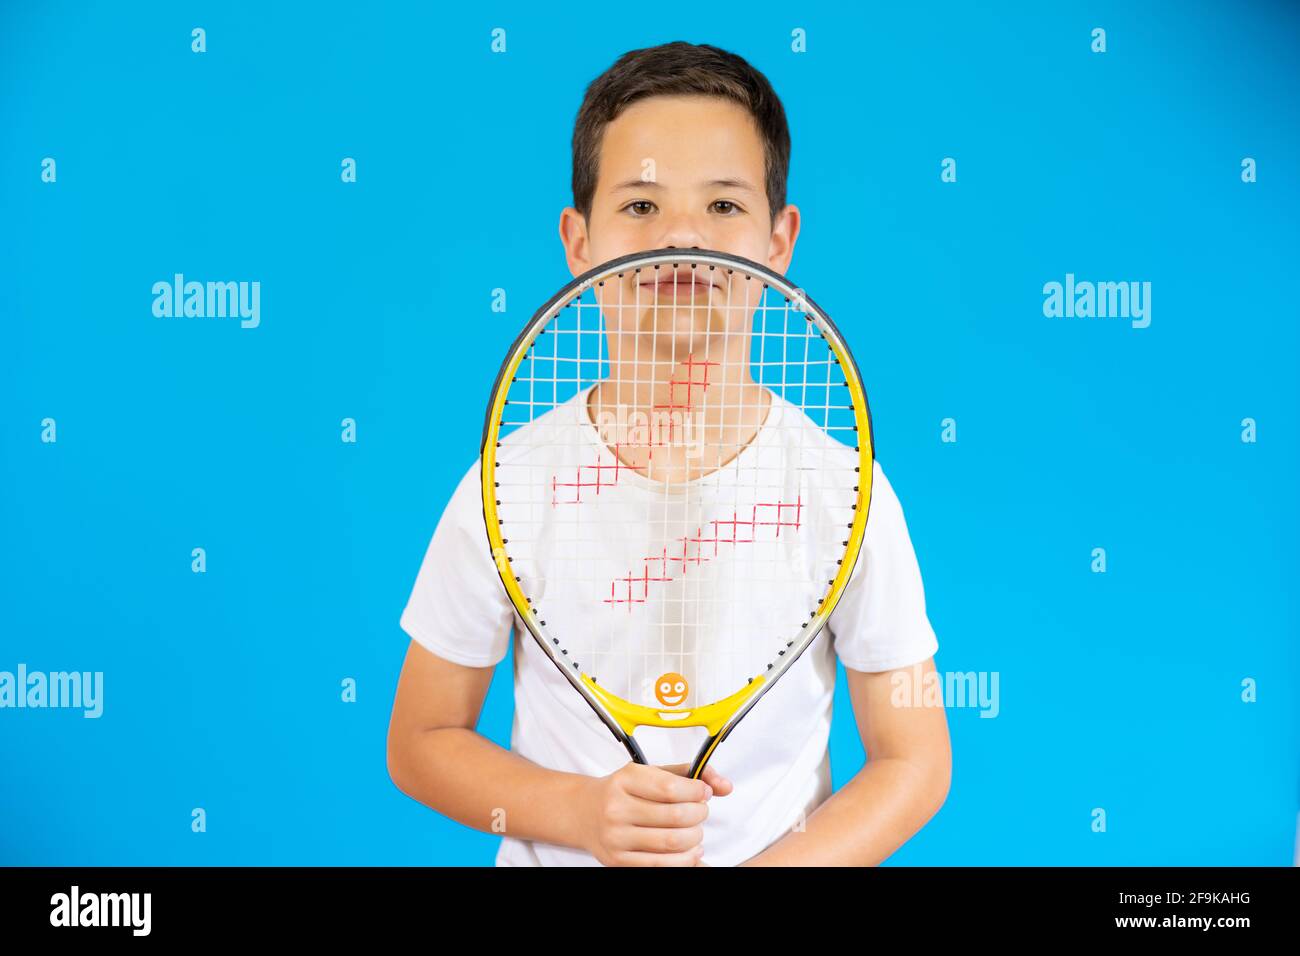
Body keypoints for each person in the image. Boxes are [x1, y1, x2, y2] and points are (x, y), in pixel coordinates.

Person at [387, 41, 951, 867]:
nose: (682, 235)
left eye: (724, 206)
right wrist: (581, 813)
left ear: (778, 241)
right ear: (579, 242)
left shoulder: (845, 492)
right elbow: (421, 741)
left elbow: (915, 760)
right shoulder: (507, 490)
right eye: (641, 207)